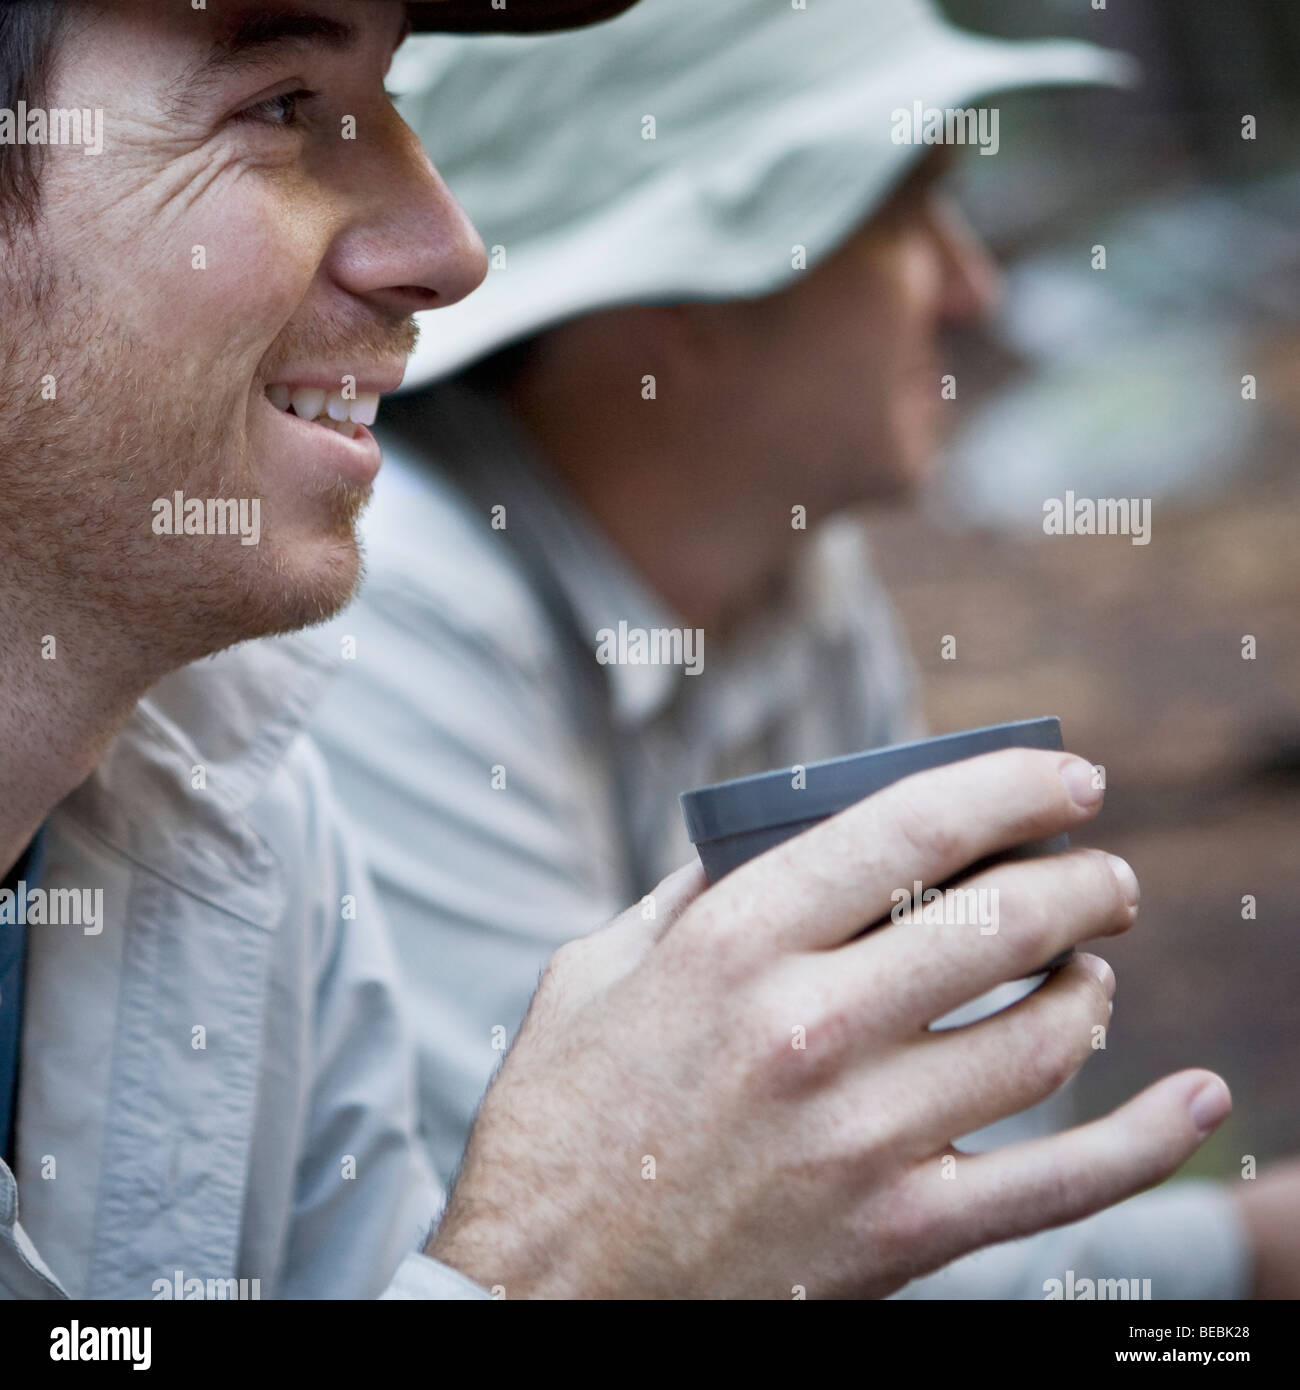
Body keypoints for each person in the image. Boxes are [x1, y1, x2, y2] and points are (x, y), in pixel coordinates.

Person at [0, 0, 1232, 1303]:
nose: (454, 250)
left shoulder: (233, 781)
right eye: (283, 107)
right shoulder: (337, 665)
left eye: (393, 101)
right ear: (689, 287)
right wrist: (567, 1268)